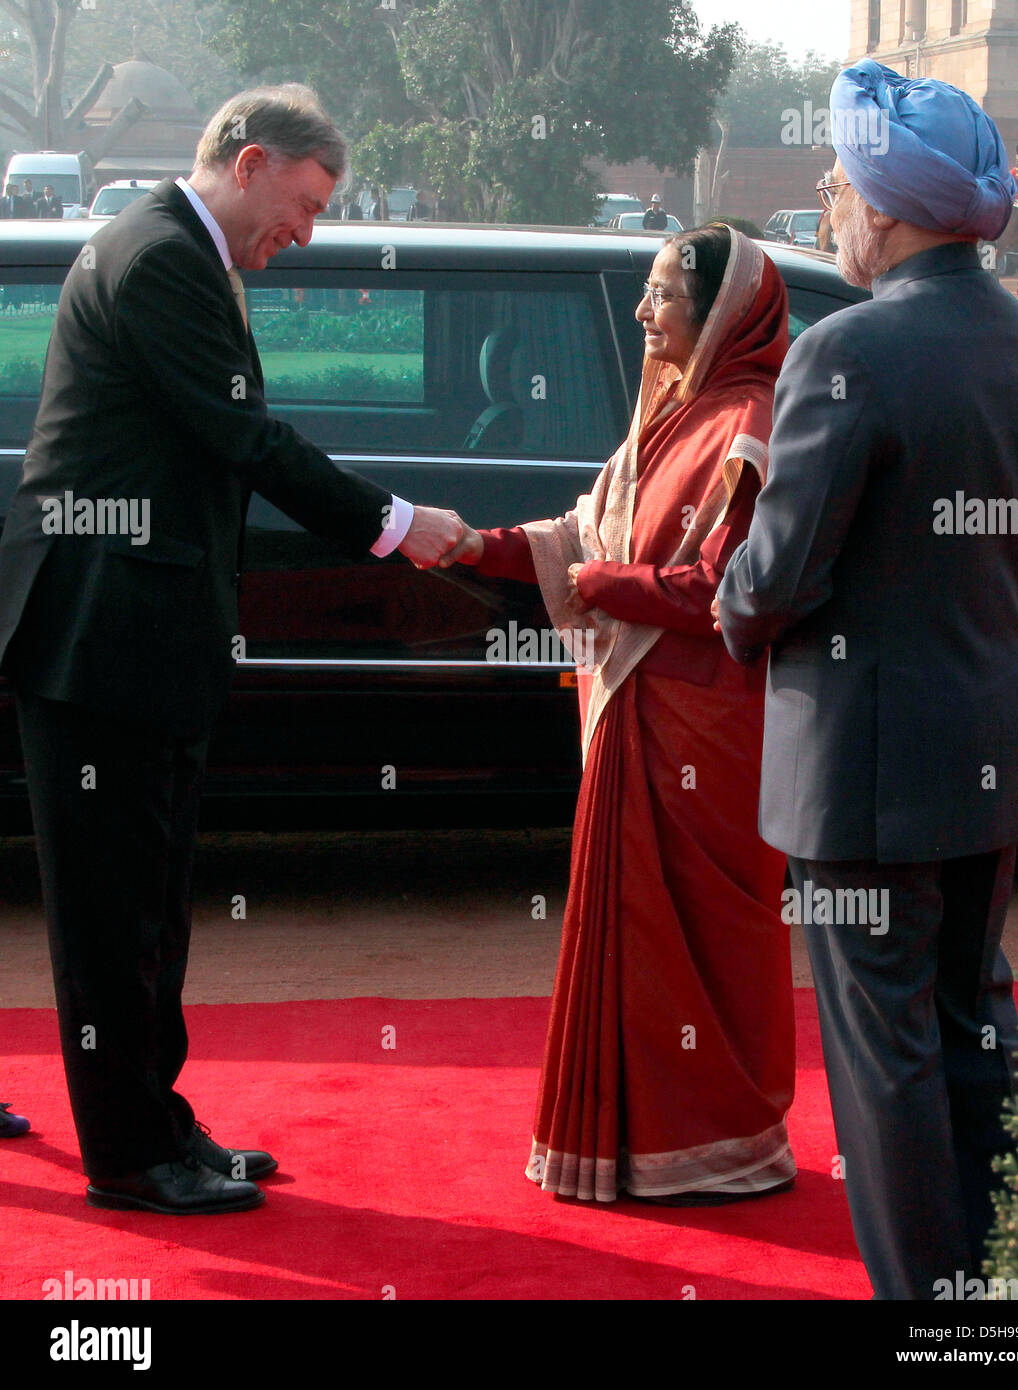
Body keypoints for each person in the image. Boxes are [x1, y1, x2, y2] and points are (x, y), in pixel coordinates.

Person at [0, 84, 462, 1215]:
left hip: (145, 637)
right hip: (98, 637)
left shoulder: (180, 253)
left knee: (154, 901)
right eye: (303, 204)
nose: (303, 233)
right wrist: (397, 525)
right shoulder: (159, 256)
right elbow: (245, 438)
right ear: (250, 162)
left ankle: (160, 1122)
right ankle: (127, 1156)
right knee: (111, 916)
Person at [714, 59, 1018, 1298]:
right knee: (975, 1030)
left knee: (887, 1062)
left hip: (864, 774)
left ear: (883, 204)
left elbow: (774, 580)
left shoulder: (840, 351)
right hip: (991, 754)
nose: (827, 205)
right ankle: (998, 1291)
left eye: (835, 183)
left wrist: (732, 571)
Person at [441, 224, 797, 1204]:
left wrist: (600, 582)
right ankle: (626, 1148)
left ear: (722, 315)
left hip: (706, 732)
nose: (643, 314)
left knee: (697, 943)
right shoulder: (670, 414)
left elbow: (720, 592)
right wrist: (480, 546)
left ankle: (713, 1144)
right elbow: (579, 532)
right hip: (637, 714)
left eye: (661, 299)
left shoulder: (752, 428)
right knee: (632, 937)